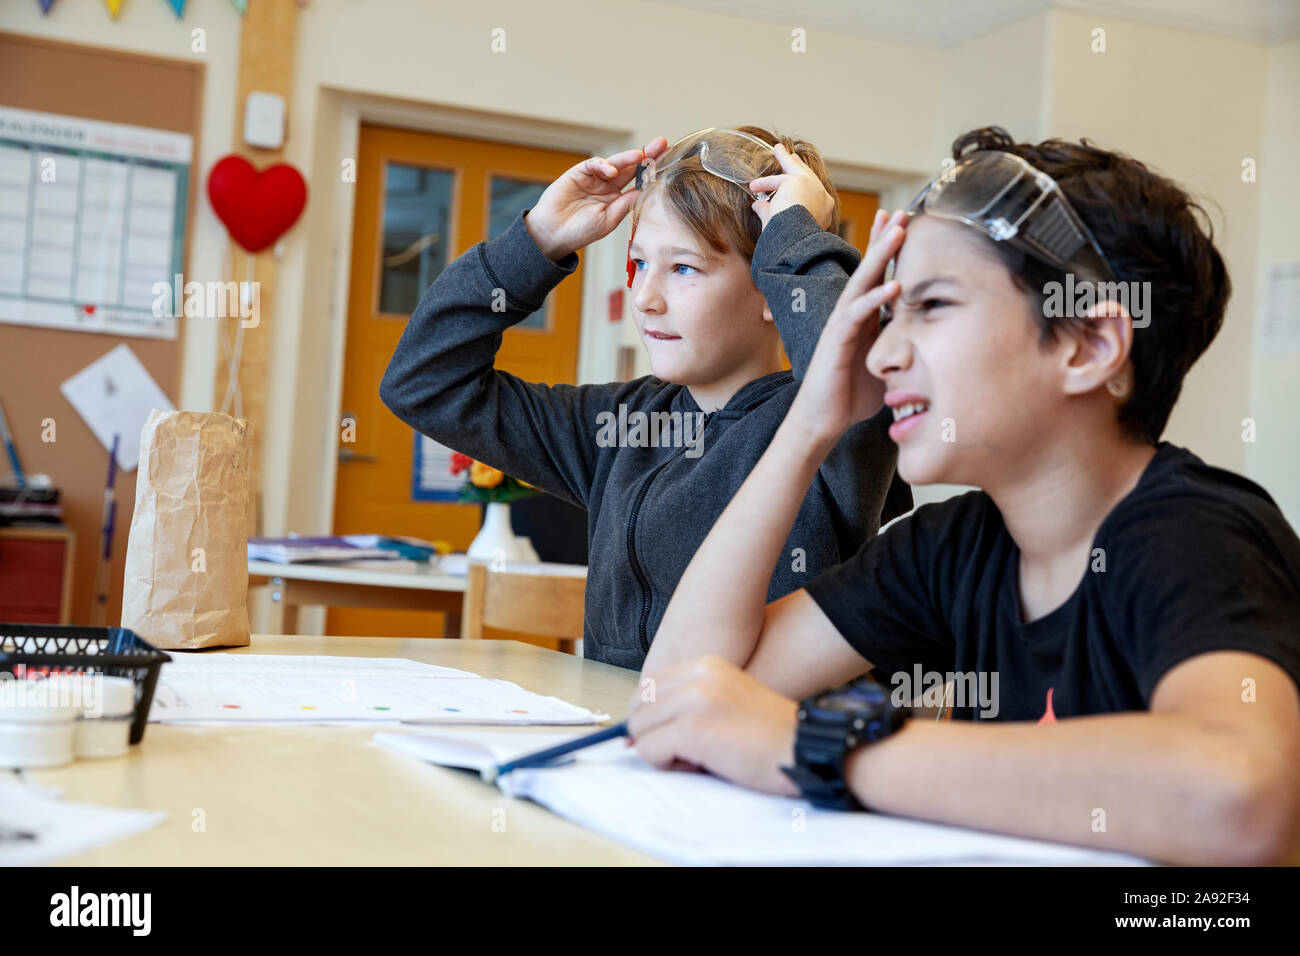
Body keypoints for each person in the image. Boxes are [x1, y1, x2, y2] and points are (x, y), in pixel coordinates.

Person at [627, 127, 1300, 865]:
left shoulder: (1194, 535)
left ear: (1087, 345)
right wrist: (808, 424)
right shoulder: (954, 545)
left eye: (934, 305)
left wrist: (818, 749)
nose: (882, 354)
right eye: (891, 311)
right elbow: (675, 701)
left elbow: (1238, 796)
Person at [381, 127, 910, 669]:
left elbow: (849, 375)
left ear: (772, 291)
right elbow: (425, 383)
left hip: (756, 745)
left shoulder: (831, 428)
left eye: (684, 268)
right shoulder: (619, 425)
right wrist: (538, 239)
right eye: (639, 263)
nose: (645, 299)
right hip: (620, 743)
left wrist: (795, 237)